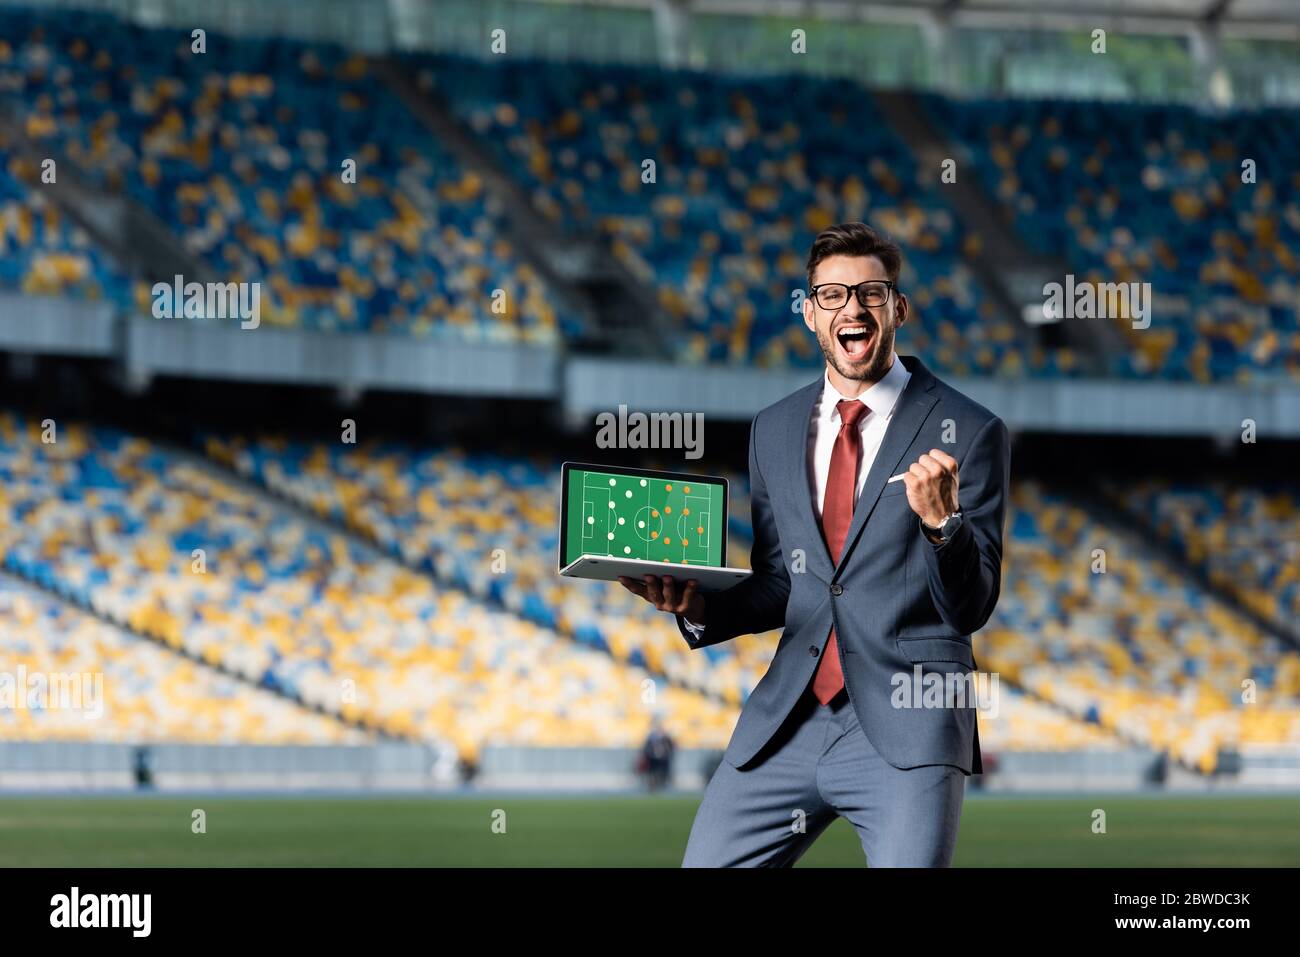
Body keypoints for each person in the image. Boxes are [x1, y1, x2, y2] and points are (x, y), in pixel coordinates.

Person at [620, 222, 1010, 867]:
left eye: (870, 293)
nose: (851, 308)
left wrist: (945, 527)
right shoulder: (773, 429)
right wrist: (694, 604)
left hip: (906, 721)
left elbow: (971, 607)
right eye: (831, 295)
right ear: (809, 314)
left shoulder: (969, 429)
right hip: (787, 723)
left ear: (898, 309)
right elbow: (784, 583)